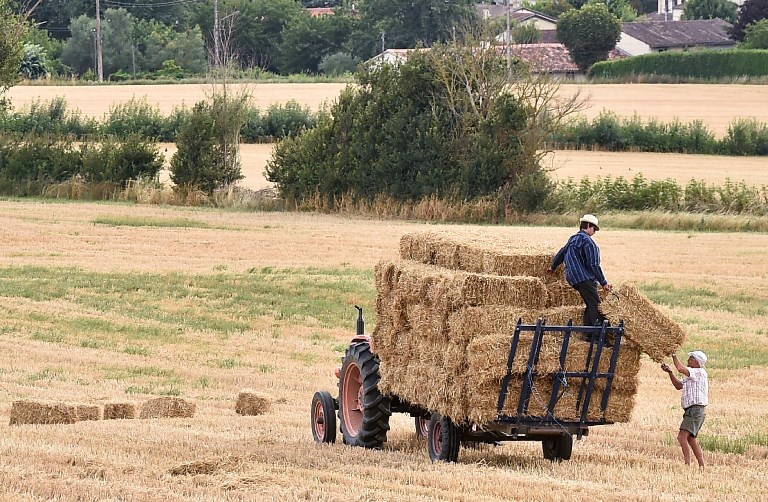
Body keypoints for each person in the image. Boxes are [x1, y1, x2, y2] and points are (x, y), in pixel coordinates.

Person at [548, 214, 612, 335]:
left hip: (573, 279)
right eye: (594, 229)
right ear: (588, 226)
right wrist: (603, 283)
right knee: (596, 305)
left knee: (590, 303)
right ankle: (599, 336)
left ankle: (588, 334)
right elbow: (594, 265)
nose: (595, 232)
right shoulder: (588, 242)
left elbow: (562, 252)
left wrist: (553, 266)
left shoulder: (573, 239)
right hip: (584, 278)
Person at [661, 351, 709, 468]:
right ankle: (701, 466)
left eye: (690, 359)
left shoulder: (699, 372)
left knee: (682, 437)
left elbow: (680, 368)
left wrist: (673, 354)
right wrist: (670, 373)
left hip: (695, 410)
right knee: (691, 439)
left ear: (697, 362)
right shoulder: (690, 376)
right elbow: (678, 386)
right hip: (692, 410)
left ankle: (687, 465)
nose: (688, 361)